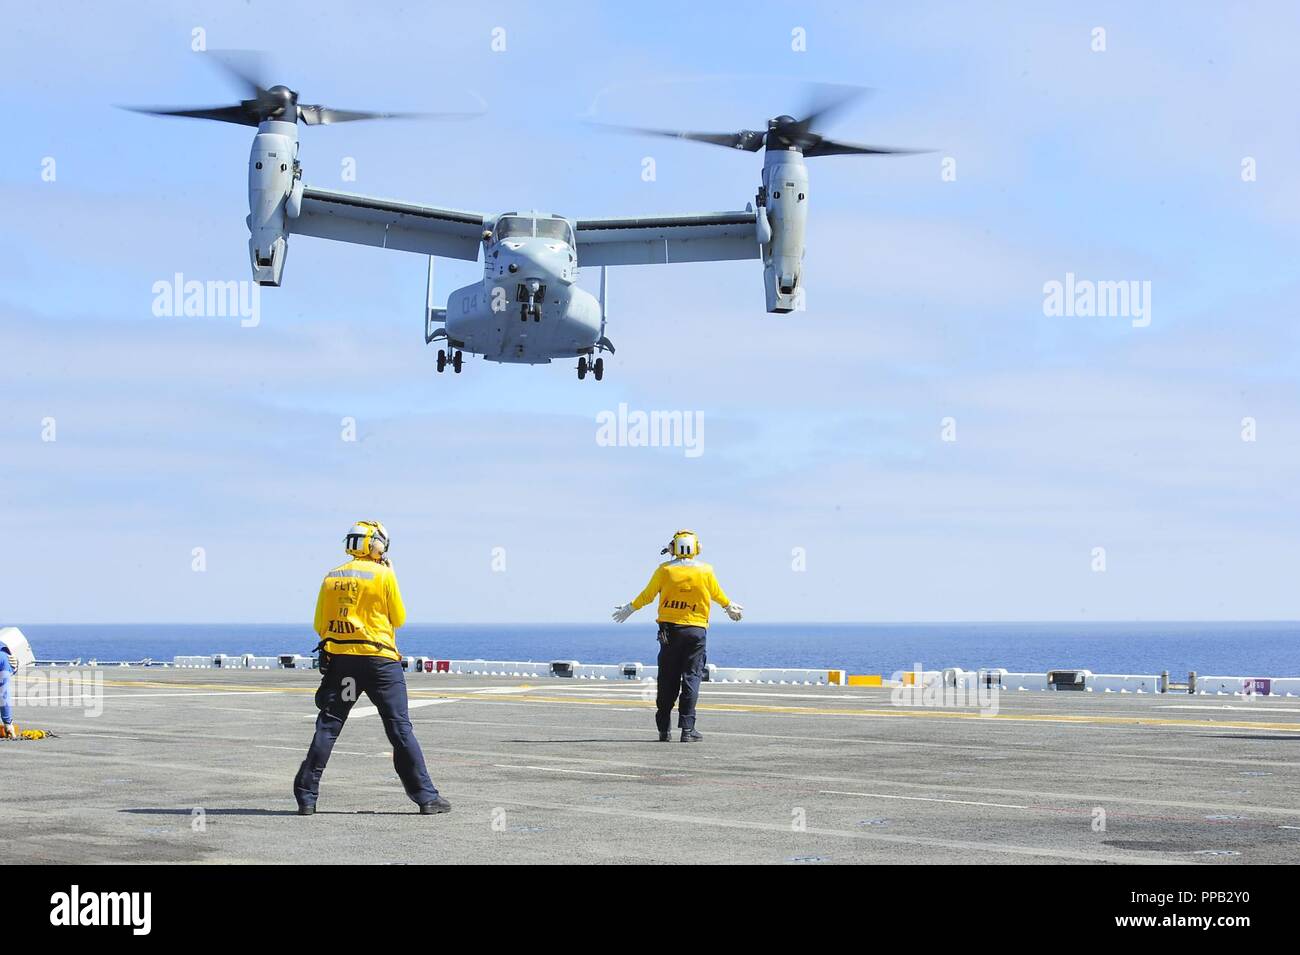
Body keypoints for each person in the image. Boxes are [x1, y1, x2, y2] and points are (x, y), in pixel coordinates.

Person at [293, 521, 450, 815]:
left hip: (343, 665)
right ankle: (426, 798)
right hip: (380, 664)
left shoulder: (331, 576)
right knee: (399, 729)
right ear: (376, 543)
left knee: (328, 727)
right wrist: (389, 574)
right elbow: (399, 618)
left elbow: (319, 625)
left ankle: (306, 797)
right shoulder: (383, 574)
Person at [612, 530, 742, 742]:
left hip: (669, 632)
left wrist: (629, 608)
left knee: (667, 678)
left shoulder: (665, 570)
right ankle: (688, 730)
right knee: (692, 678)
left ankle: (664, 729)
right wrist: (728, 606)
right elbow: (716, 593)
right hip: (696, 631)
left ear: (674, 547)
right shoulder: (706, 570)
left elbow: (647, 595)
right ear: (696, 548)